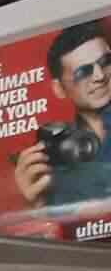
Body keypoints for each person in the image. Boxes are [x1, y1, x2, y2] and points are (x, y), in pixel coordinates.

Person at [14, 21, 111, 206]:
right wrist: (37, 206)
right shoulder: (52, 158)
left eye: (106, 62)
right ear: (59, 89)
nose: (100, 76)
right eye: (83, 72)